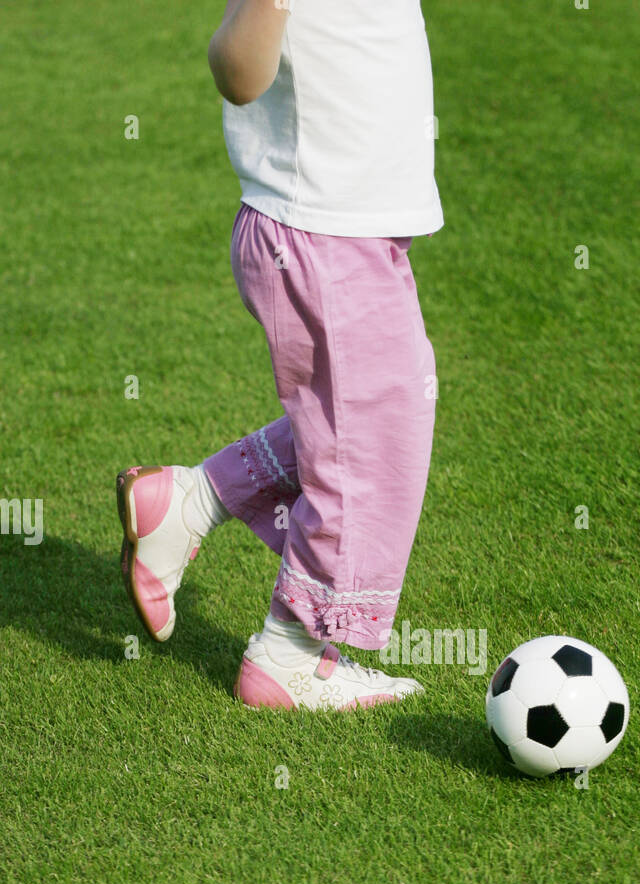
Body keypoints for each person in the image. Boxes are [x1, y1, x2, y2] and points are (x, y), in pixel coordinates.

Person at [116, 0, 443, 711]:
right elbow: (239, 72)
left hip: (351, 228)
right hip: (320, 232)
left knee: (368, 418)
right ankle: (289, 654)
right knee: (371, 434)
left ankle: (185, 502)